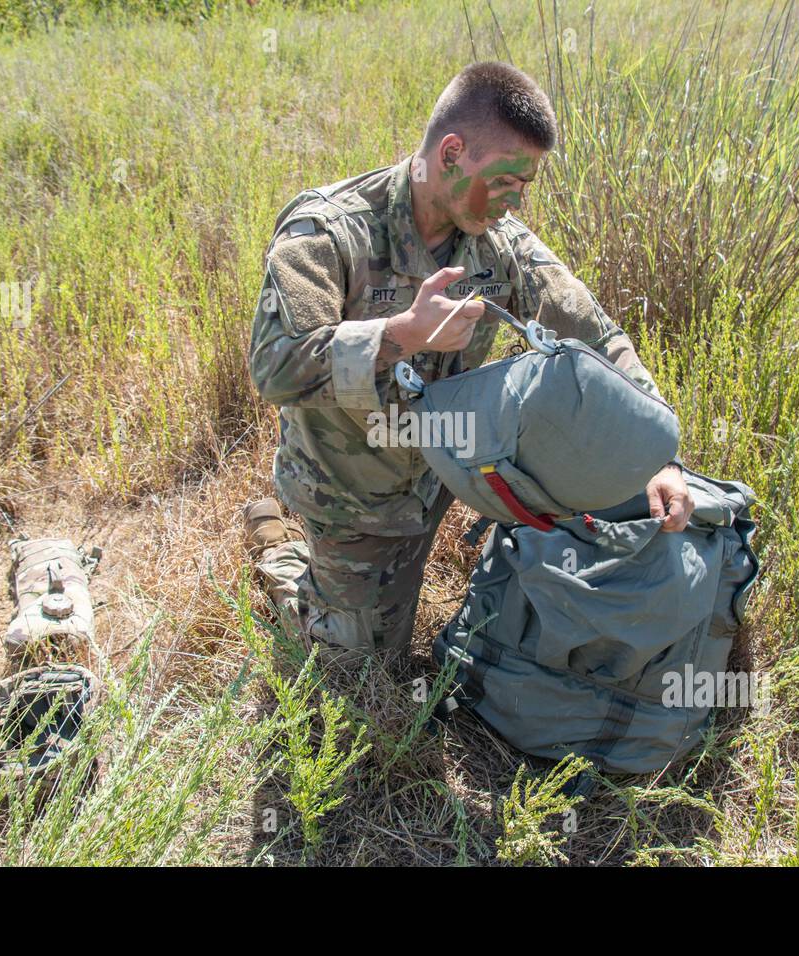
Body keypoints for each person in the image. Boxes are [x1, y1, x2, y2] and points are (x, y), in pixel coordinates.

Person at [244, 61, 691, 657]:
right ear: (452, 152)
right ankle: (281, 552)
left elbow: (597, 336)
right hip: (351, 494)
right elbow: (273, 367)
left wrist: (658, 454)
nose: (515, 202)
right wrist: (401, 334)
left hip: (443, 478)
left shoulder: (497, 241)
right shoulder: (328, 231)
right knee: (358, 669)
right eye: (506, 182)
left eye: (525, 187)